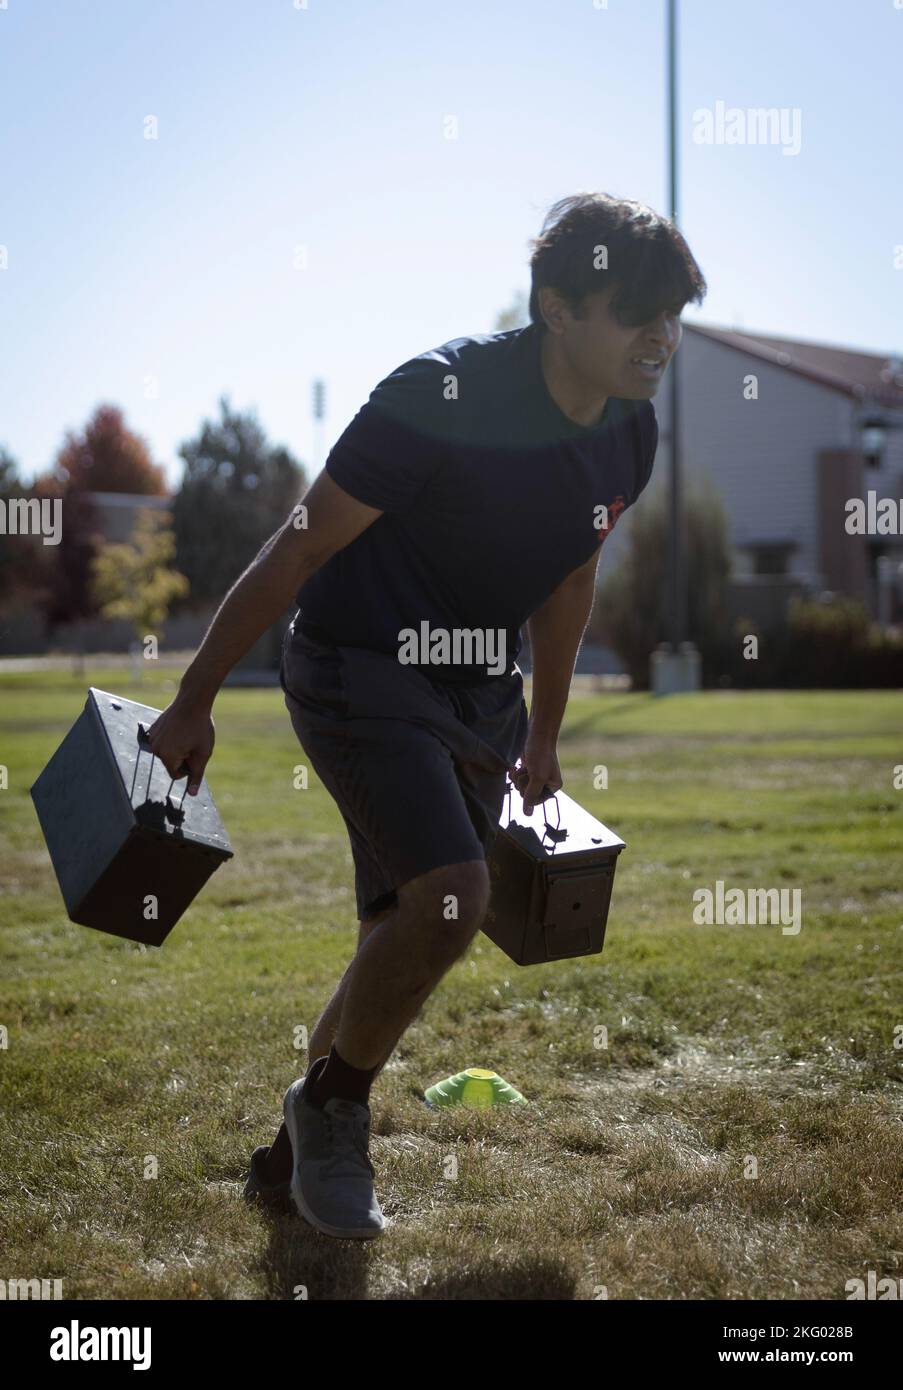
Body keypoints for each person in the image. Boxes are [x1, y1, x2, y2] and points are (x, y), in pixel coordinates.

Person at [146, 192, 707, 1239]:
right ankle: (336, 1107)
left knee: (399, 931)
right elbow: (300, 546)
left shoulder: (630, 432)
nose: (660, 335)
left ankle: (288, 1156)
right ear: (554, 307)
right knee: (452, 896)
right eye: (634, 309)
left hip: (478, 691)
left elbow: (571, 581)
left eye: (672, 310)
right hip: (357, 662)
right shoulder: (435, 395)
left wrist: (543, 734)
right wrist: (194, 697)